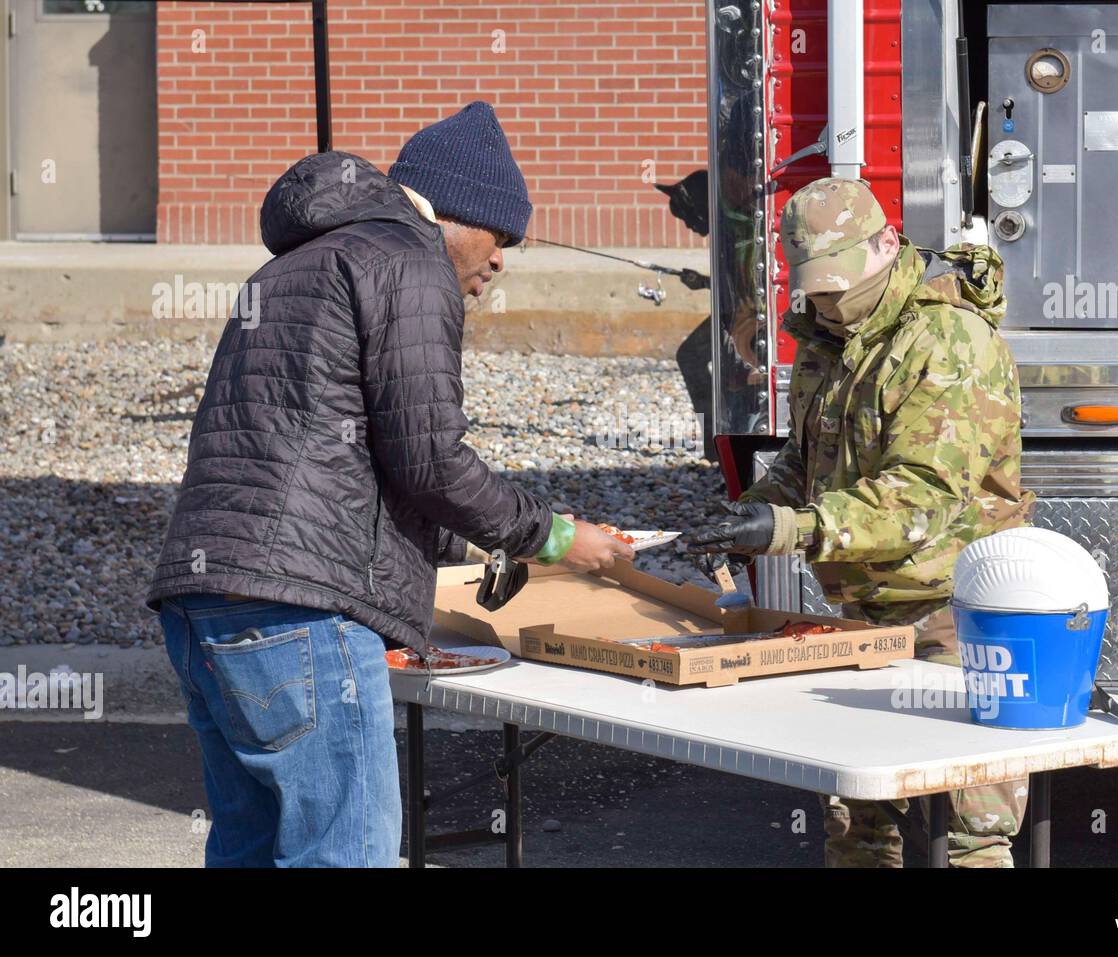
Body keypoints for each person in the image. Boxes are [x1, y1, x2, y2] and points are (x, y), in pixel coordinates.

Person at [145, 101, 633, 867]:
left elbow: (351, 461)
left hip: (202, 602)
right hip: (300, 614)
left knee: (248, 846)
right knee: (350, 853)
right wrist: (559, 536)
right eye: (501, 235)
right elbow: (431, 458)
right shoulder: (408, 261)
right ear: (452, 215)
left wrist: (469, 546)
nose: (502, 259)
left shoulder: (295, 263)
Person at [687, 177, 1036, 867]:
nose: (831, 302)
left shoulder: (948, 339)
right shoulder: (832, 334)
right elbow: (808, 456)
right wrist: (753, 512)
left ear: (886, 244)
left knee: (972, 836)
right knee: (856, 826)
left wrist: (794, 529)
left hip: (961, 615)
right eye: (816, 289)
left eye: (840, 284)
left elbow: (923, 495)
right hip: (866, 614)